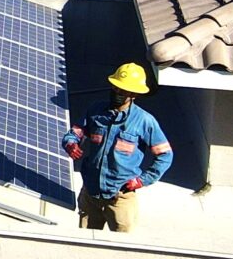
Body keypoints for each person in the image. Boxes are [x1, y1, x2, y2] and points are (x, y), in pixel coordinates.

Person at [64, 63, 173, 232]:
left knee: (122, 243)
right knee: (86, 240)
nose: (117, 92)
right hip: (91, 193)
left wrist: (142, 180)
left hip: (121, 197)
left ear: (134, 94)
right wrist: (70, 143)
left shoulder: (144, 121)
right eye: (116, 88)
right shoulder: (95, 111)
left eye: (123, 90)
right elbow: (74, 133)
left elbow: (165, 155)